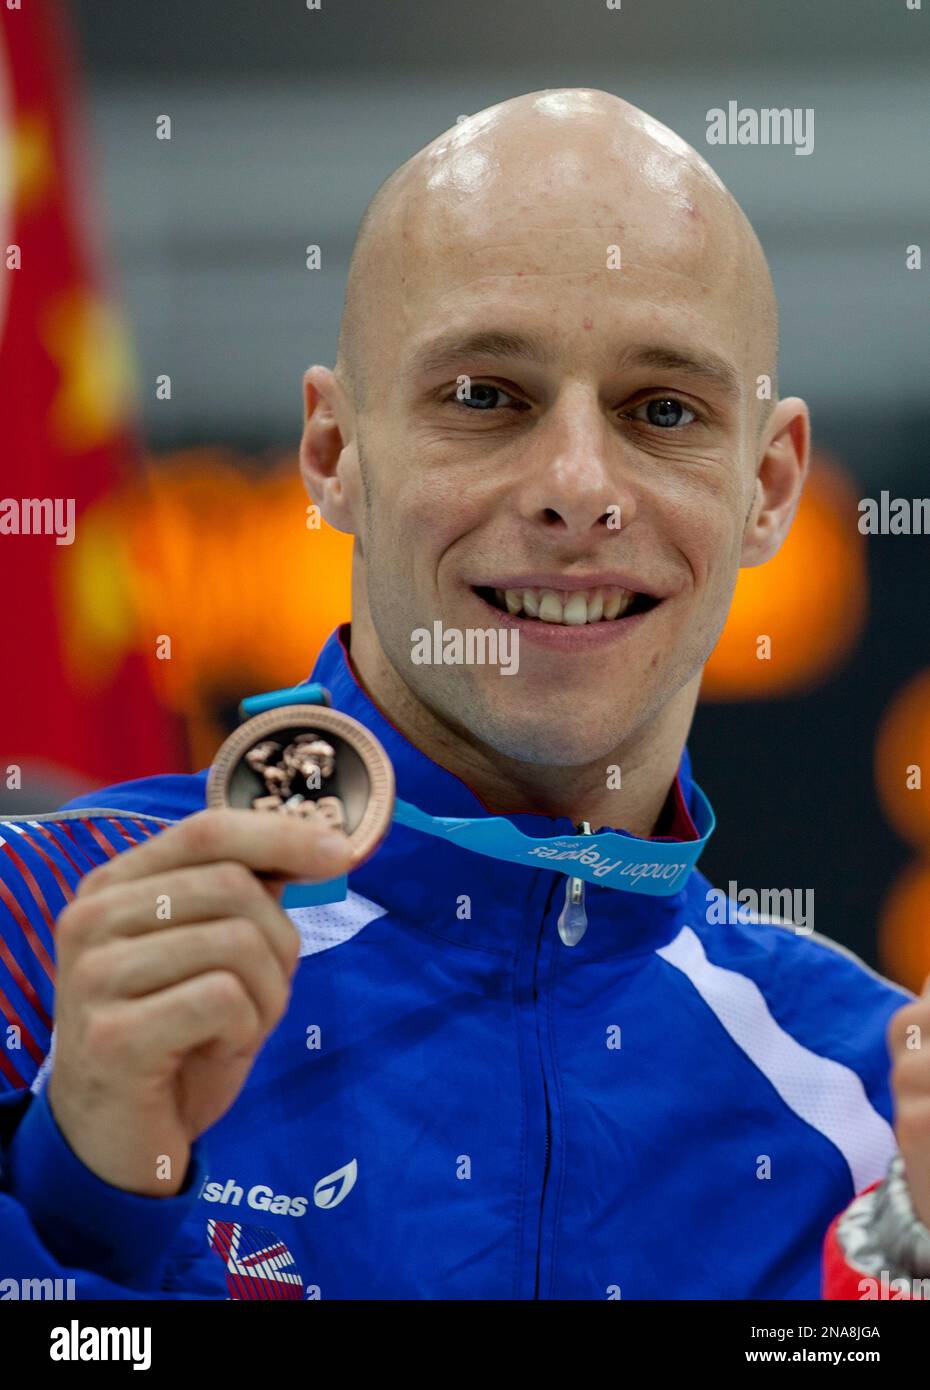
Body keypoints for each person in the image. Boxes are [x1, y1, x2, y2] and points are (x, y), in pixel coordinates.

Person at [1, 88, 928, 1301]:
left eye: (663, 410)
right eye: (487, 396)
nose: (579, 486)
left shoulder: (878, 1116)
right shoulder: (33, 941)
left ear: (767, 487)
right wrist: (91, 1197)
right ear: (333, 453)